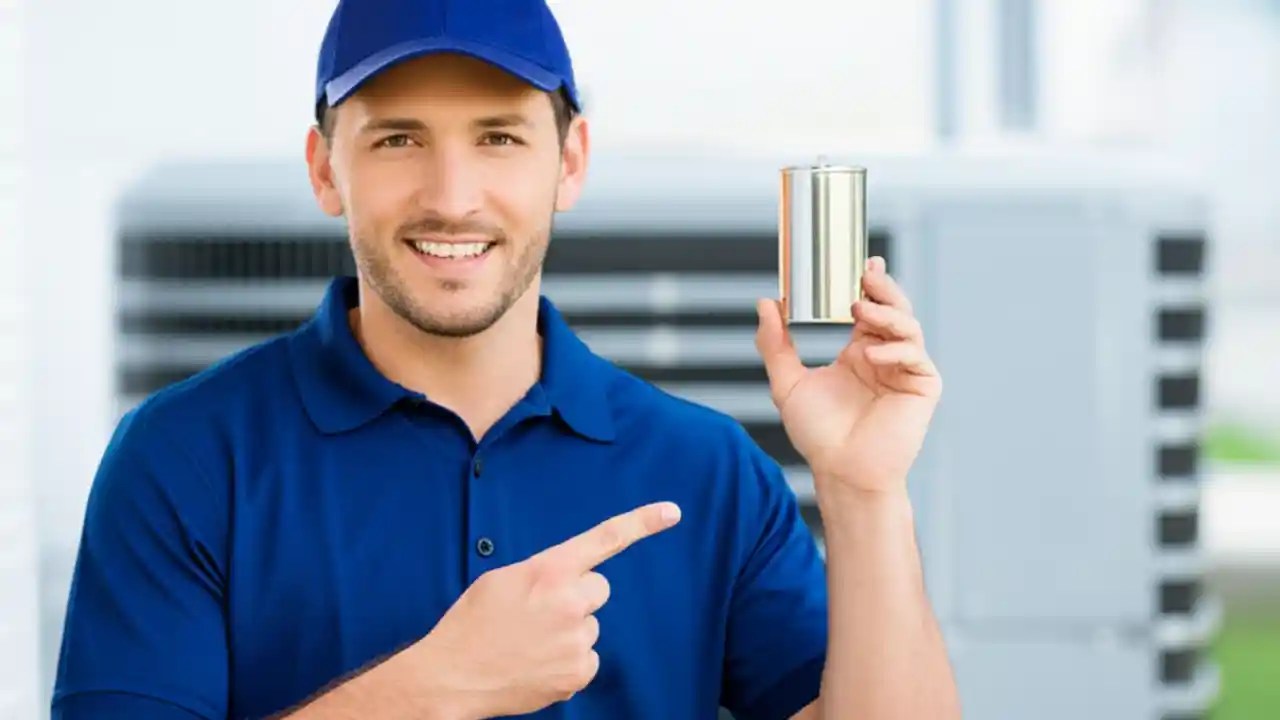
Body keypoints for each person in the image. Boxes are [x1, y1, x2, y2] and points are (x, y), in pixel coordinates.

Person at [51, 0, 961, 718]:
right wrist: (430, 690)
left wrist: (864, 492)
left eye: (499, 137)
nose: (453, 198)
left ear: (570, 162)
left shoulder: (709, 472)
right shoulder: (181, 459)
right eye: (399, 138)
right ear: (326, 169)